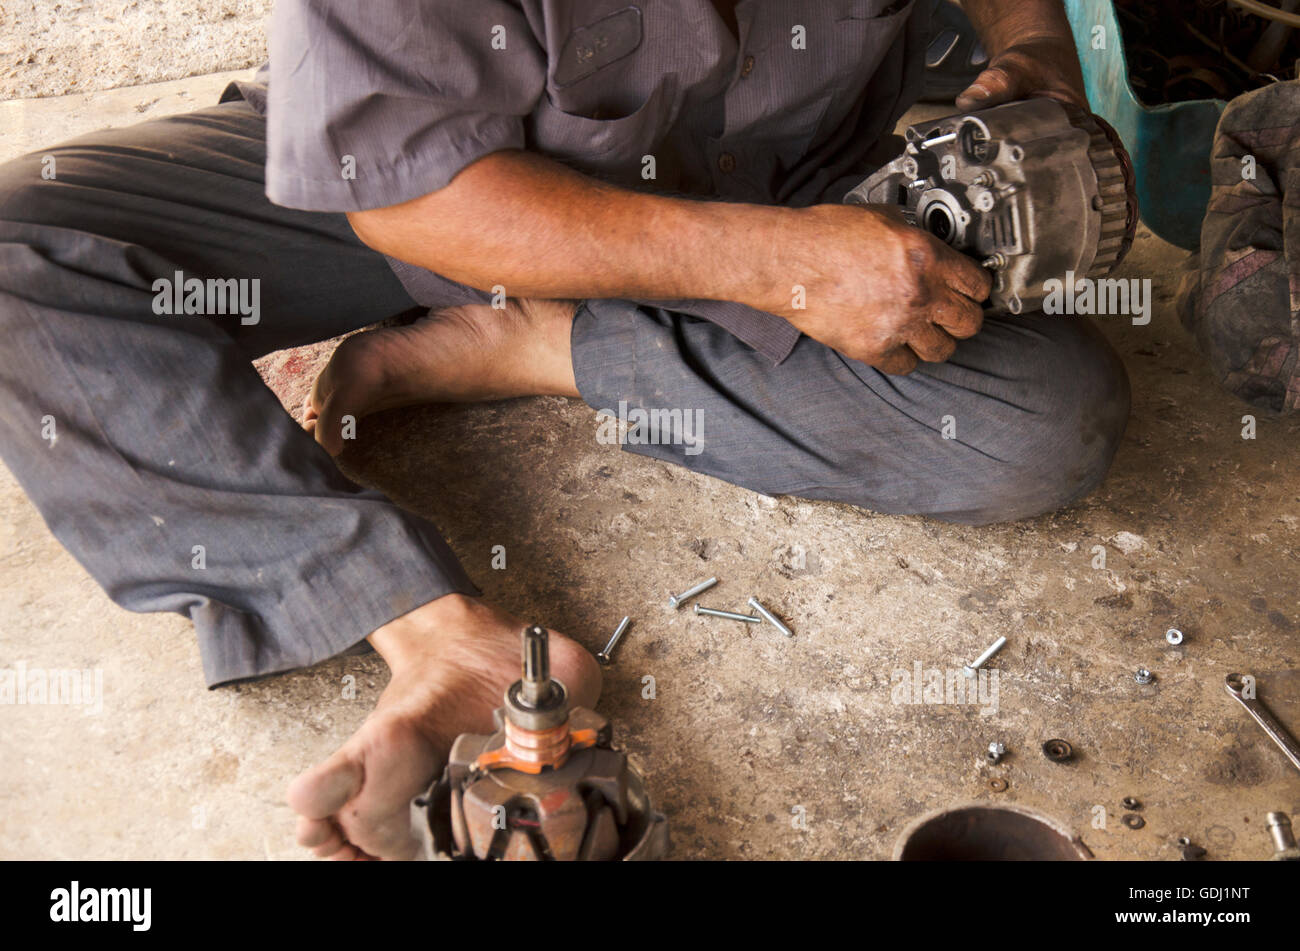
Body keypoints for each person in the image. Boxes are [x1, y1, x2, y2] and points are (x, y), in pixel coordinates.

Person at [0, 0, 1128, 860]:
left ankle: (525, 346)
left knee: (1041, 420)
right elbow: (400, 194)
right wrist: (778, 271)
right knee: (17, 255)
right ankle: (430, 628)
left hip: (794, 180)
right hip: (437, 190)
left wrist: (1032, 47)